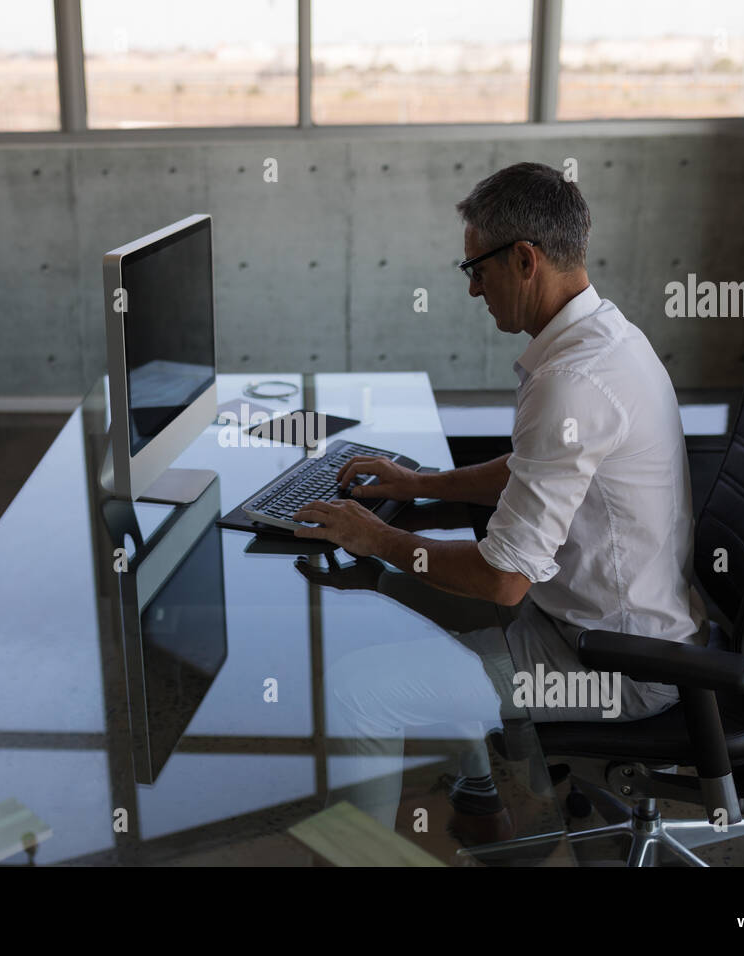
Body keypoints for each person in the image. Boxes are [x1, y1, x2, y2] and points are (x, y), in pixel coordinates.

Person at [293, 161, 709, 842]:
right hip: (604, 623)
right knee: (379, 594)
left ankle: (359, 863)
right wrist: (416, 484)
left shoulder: (573, 382)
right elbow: (530, 468)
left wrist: (375, 536)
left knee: (358, 688)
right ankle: (478, 787)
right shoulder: (606, 338)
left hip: (611, 667)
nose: (472, 290)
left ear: (524, 260)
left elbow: (502, 580)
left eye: (476, 271)